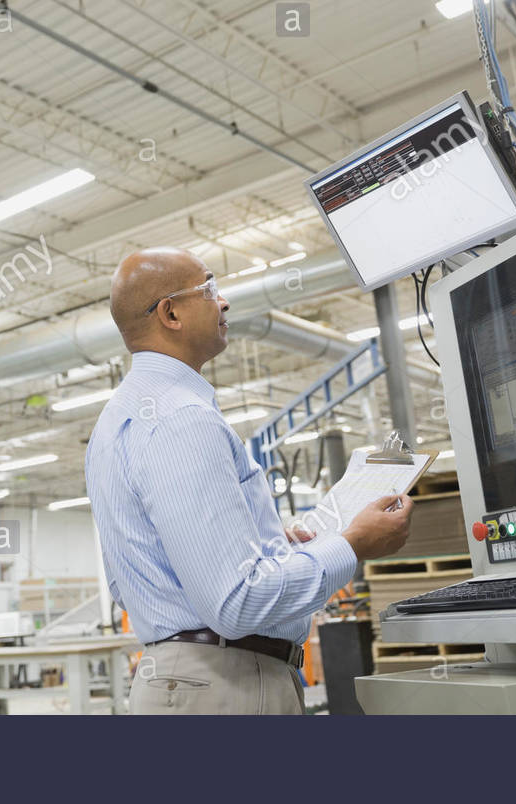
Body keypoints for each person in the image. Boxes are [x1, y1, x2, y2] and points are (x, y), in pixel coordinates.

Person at [85, 247, 414, 714]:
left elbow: (131, 582)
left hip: (186, 683)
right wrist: (354, 544)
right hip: (225, 684)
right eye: (210, 289)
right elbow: (237, 604)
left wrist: (254, 542)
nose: (224, 303)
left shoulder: (115, 422)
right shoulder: (182, 420)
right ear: (171, 313)